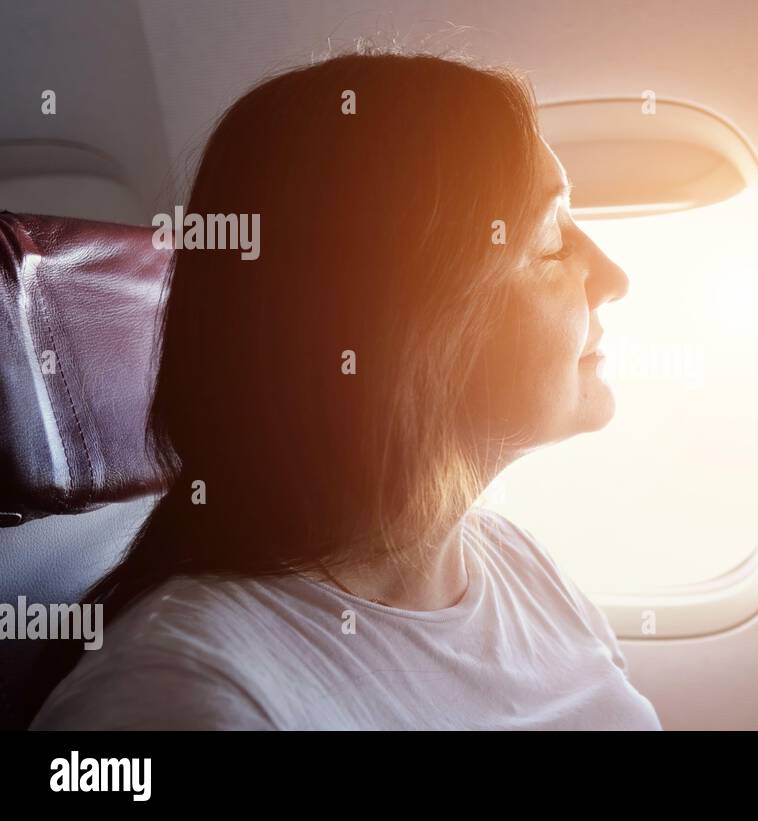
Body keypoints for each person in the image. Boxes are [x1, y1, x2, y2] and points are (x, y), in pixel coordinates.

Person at [29, 50, 659, 730]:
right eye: (552, 244)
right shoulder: (185, 695)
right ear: (412, 324)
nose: (615, 275)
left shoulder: (519, 565)